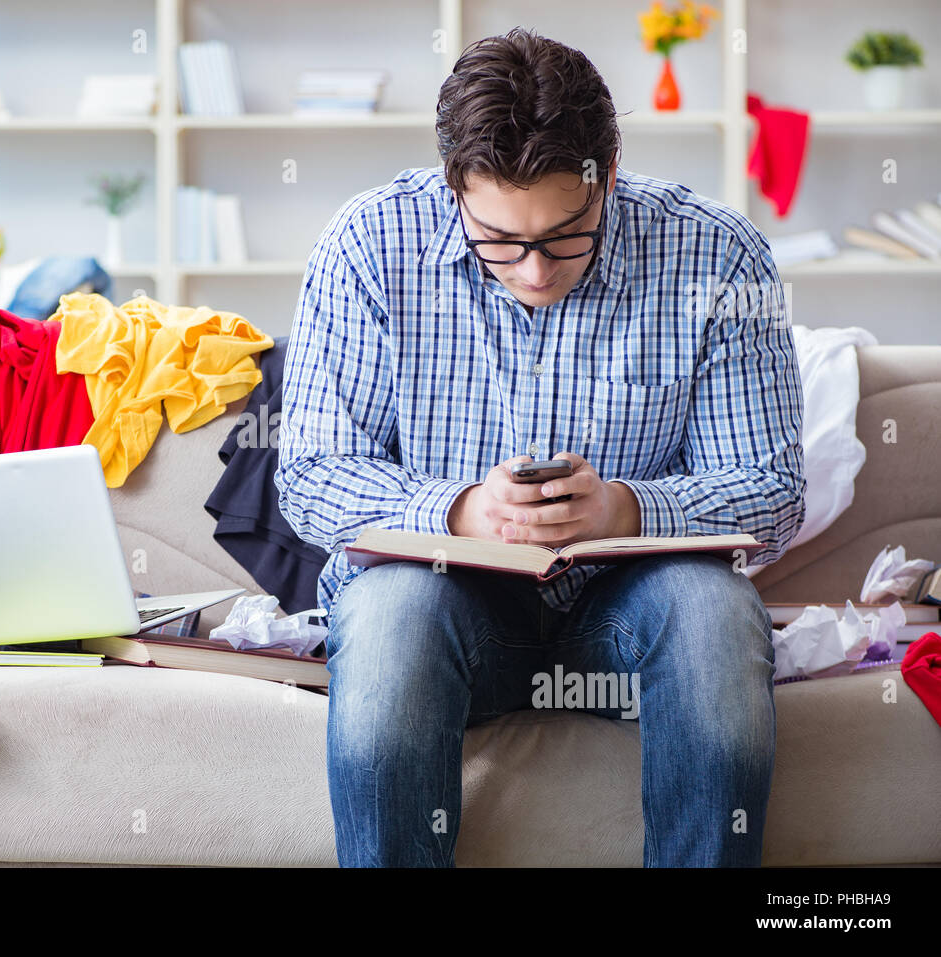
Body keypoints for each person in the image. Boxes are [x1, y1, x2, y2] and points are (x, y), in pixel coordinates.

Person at [273, 27, 806, 867]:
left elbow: (771, 491)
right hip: (441, 609)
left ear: (609, 178)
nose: (532, 270)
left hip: (631, 616)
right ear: (455, 189)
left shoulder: (718, 254)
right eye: (498, 241)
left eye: (564, 236)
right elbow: (309, 477)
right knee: (387, 613)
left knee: (712, 612)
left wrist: (629, 507)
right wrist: (459, 511)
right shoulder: (369, 244)